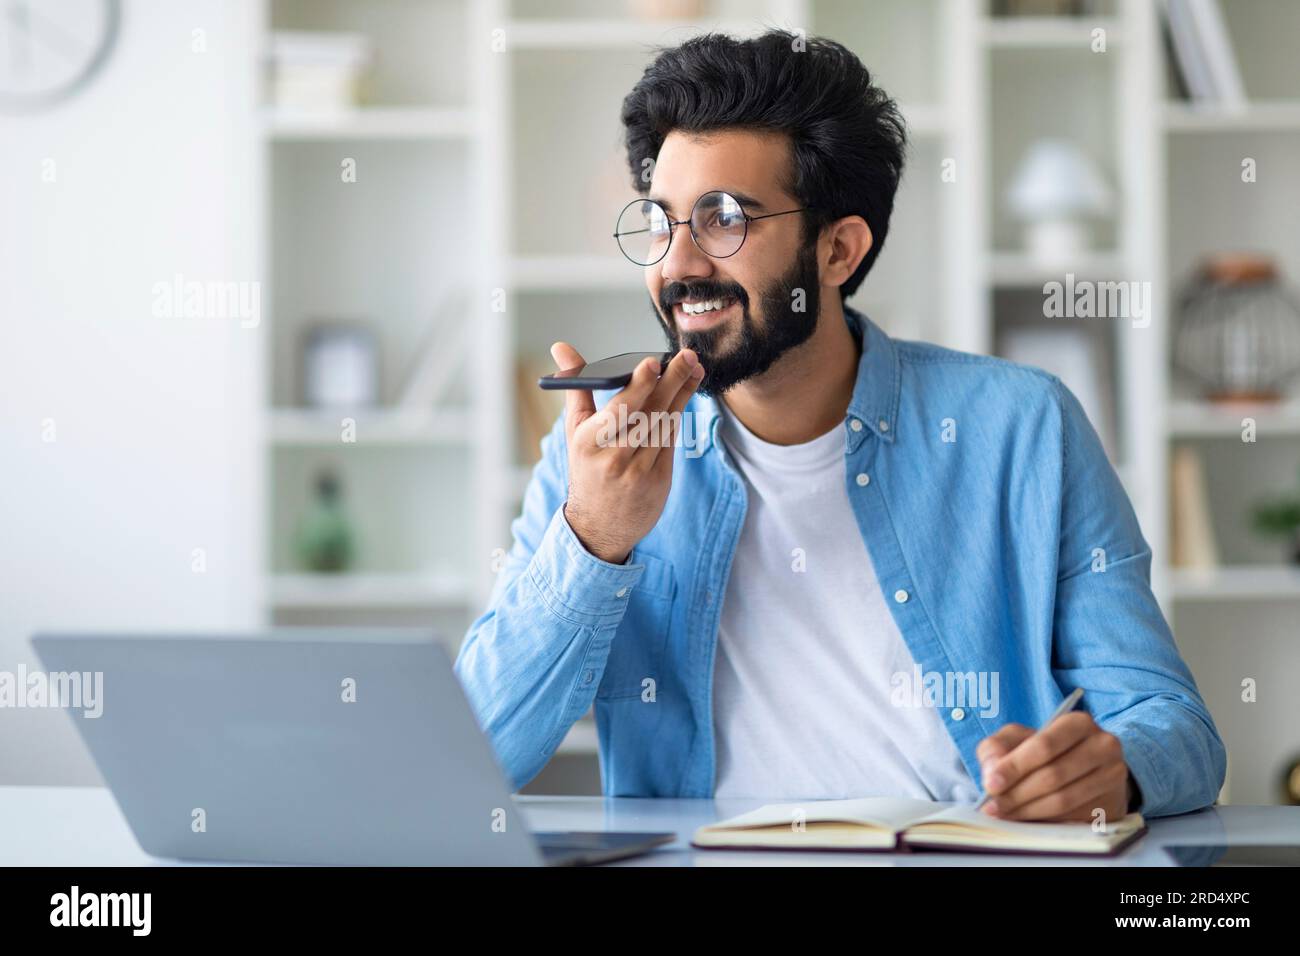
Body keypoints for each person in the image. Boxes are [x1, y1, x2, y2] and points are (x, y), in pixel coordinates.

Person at [455, 29, 1225, 821]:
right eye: (662, 221)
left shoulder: (1023, 428)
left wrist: (1116, 771)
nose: (678, 265)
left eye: (723, 220)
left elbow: (1176, 726)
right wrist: (594, 538)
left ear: (838, 250)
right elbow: (478, 753)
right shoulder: (599, 458)